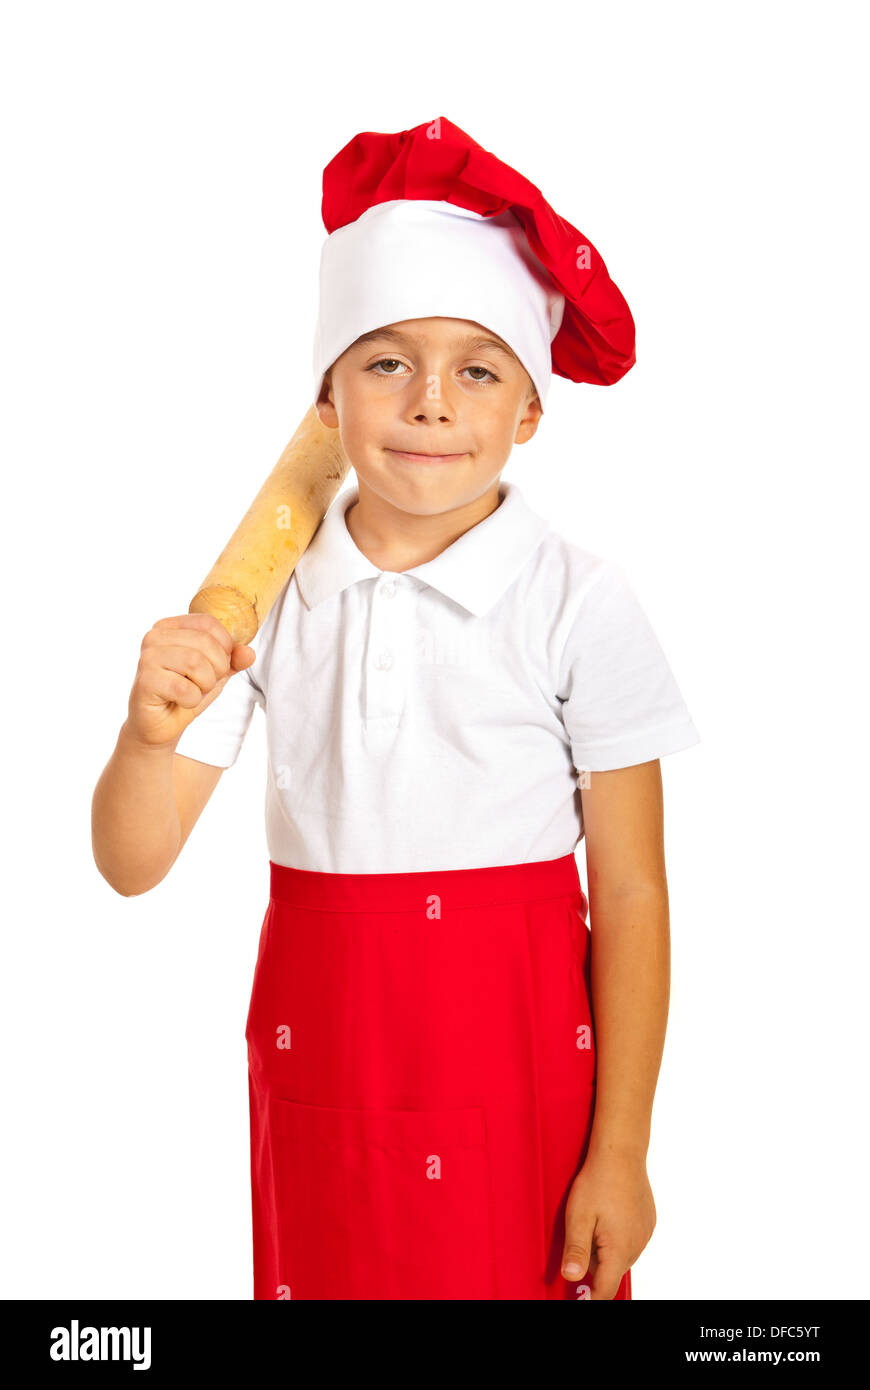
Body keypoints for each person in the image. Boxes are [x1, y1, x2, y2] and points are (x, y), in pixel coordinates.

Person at [92, 116, 700, 1301]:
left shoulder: (578, 599)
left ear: (529, 410)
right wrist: (144, 735)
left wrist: (621, 1150)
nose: (430, 402)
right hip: (324, 1067)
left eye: (478, 368)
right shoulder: (258, 608)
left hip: (524, 1080)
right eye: (385, 362)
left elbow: (630, 889)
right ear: (326, 403)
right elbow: (132, 859)